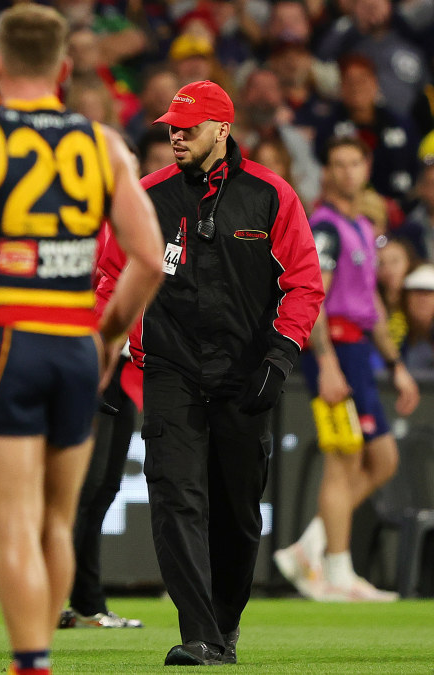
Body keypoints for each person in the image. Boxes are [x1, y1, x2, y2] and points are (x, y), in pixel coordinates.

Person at [0, 6, 165, 675]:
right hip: (76, 344)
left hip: (5, 337)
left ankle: (33, 662)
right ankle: (42, 654)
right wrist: (108, 332)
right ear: (66, 69)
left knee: (15, 523)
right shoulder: (104, 144)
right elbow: (149, 253)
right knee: (58, 519)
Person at [99, 80, 323, 666]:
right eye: (171, 126)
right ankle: (197, 631)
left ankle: (223, 623)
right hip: (169, 368)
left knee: (238, 512)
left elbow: (303, 283)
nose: (176, 136)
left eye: (188, 128)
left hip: (246, 374)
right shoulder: (146, 197)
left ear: (222, 130)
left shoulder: (272, 197)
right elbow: (107, 280)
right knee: (176, 500)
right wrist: (100, 355)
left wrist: (280, 356)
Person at [273, 136, 419, 602]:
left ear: (367, 165)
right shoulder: (328, 229)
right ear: (329, 172)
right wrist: (327, 363)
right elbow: (314, 294)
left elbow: (372, 302)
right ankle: (337, 571)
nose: (348, 172)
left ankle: (311, 546)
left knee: (383, 459)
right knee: (346, 460)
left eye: (355, 162)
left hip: (360, 353)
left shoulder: (360, 226)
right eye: (338, 164)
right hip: (334, 349)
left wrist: (396, 364)